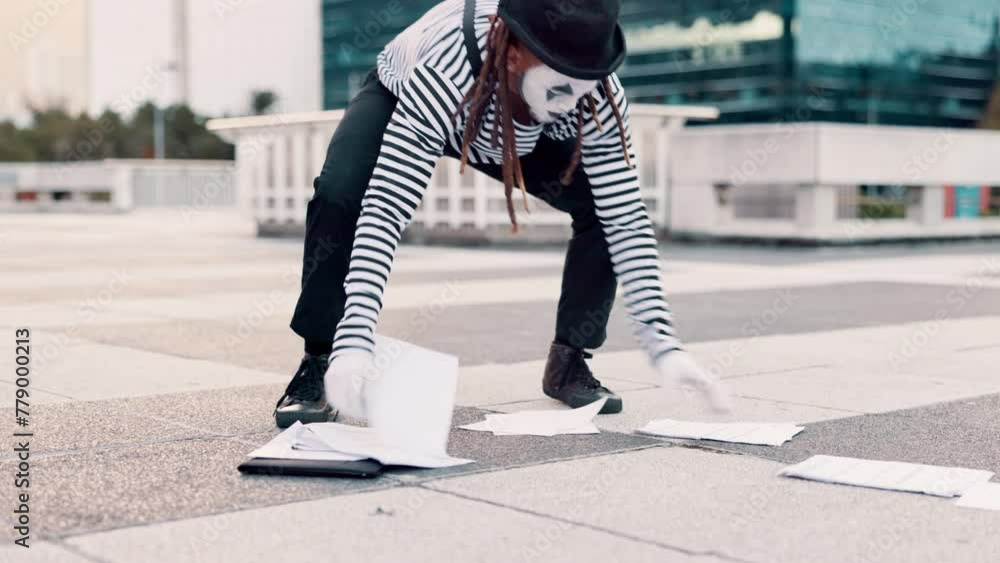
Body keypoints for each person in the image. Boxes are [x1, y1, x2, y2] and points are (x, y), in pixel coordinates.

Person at [273, 0, 731, 428]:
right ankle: (320, 355)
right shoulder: (446, 66)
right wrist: (355, 341)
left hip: (514, 125)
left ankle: (568, 360)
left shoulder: (593, 93)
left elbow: (625, 218)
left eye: (584, 82)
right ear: (512, 52)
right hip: (410, 94)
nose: (572, 101)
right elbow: (387, 206)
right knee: (340, 194)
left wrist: (662, 344)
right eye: (559, 83)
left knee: (599, 207)